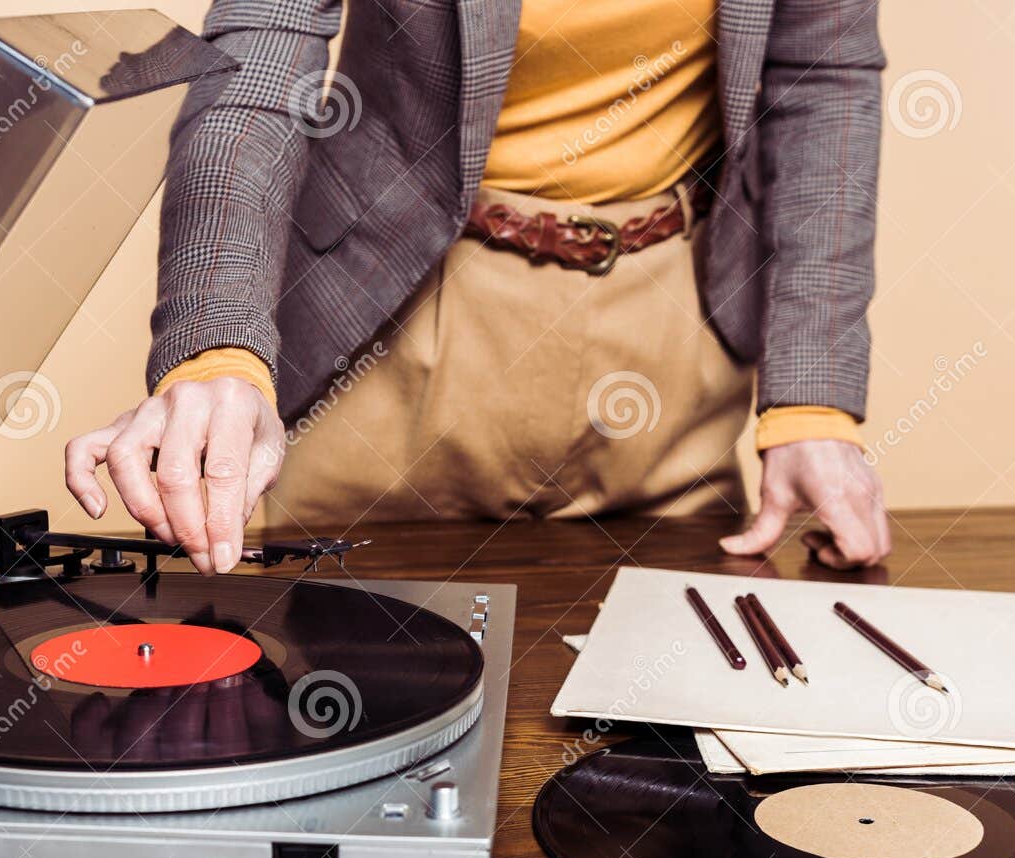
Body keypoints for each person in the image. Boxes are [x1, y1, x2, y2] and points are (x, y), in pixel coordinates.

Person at [64, 0, 891, 574]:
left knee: (664, 769)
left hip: (671, 328)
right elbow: (259, 50)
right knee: (344, 691)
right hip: (397, 311)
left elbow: (824, 79)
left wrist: (811, 400)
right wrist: (214, 347)